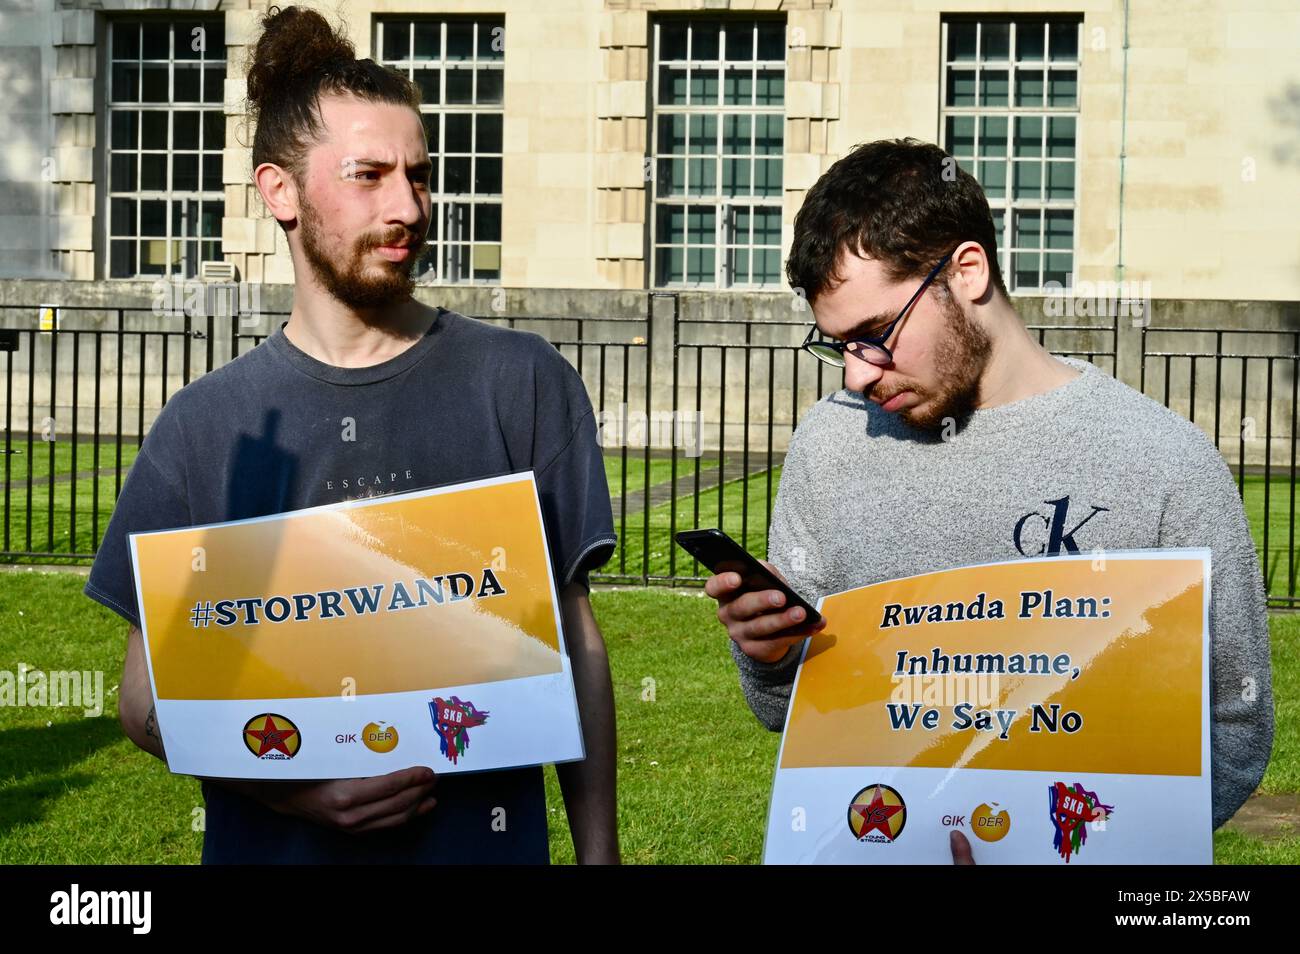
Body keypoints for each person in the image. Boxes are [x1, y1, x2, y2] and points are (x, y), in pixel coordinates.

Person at [84, 6, 619, 864]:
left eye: (420, 173)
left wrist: (601, 857)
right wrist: (293, 789)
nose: (409, 204)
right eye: (368, 174)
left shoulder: (520, 381)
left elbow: (575, 640)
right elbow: (144, 701)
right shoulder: (205, 427)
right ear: (280, 191)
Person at [706, 138, 1274, 859]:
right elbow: (788, 717)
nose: (856, 377)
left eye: (875, 335)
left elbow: (1233, 728)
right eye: (837, 345)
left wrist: (1073, 849)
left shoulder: (1164, 464)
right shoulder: (829, 447)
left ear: (967, 271)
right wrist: (771, 653)